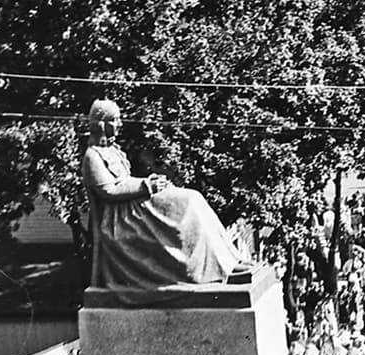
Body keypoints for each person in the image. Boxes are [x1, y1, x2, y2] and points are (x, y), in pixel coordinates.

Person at [82, 99, 250, 289]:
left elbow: (126, 180)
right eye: (114, 120)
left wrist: (153, 182)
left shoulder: (113, 151)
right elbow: (109, 191)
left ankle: (227, 261)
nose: (120, 124)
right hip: (122, 219)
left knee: (194, 198)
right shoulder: (92, 156)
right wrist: (146, 185)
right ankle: (213, 268)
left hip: (135, 203)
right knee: (188, 203)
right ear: (101, 125)